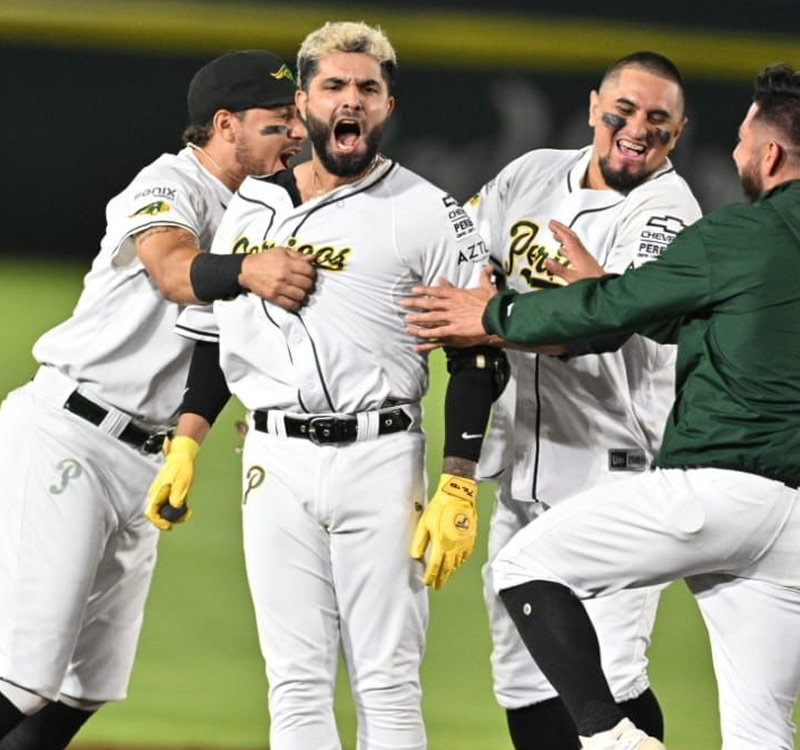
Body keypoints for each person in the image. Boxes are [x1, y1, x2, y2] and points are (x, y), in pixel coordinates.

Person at [405, 62, 800, 750]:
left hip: (711, 494)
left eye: (742, 138)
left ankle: (615, 741)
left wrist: (494, 313)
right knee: (763, 733)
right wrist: (603, 288)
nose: (735, 153)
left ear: (772, 152)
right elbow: (686, 319)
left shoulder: (736, 234)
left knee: (524, 568)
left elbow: (612, 315)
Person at [0, 50, 315, 750]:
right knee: (22, 675)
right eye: (277, 123)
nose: (296, 136)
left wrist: (216, 428)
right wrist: (250, 269)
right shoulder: (168, 183)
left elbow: (221, 345)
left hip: (146, 458)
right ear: (225, 125)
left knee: (85, 686)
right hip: (70, 434)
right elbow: (172, 271)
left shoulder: (264, 209)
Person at [144, 21, 506, 750]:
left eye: (368, 88)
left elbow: (476, 353)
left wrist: (459, 482)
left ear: (388, 106)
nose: (352, 100)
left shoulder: (428, 211)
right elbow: (217, 341)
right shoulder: (250, 206)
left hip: (381, 457)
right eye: (334, 86)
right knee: (295, 684)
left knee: (387, 682)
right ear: (304, 102)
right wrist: (185, 445)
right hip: (272, 463)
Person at [464, 51, 701, 750]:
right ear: (596, 104)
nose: (638, 129)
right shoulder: (531, 172)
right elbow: (462, 261)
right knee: (526, 676)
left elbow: (598, 325)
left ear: (678, 132)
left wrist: (490, 313)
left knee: (612, 677)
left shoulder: (665, 210)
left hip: (613, 471)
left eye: (659, 119)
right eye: (624, 111)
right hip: (524, 464)